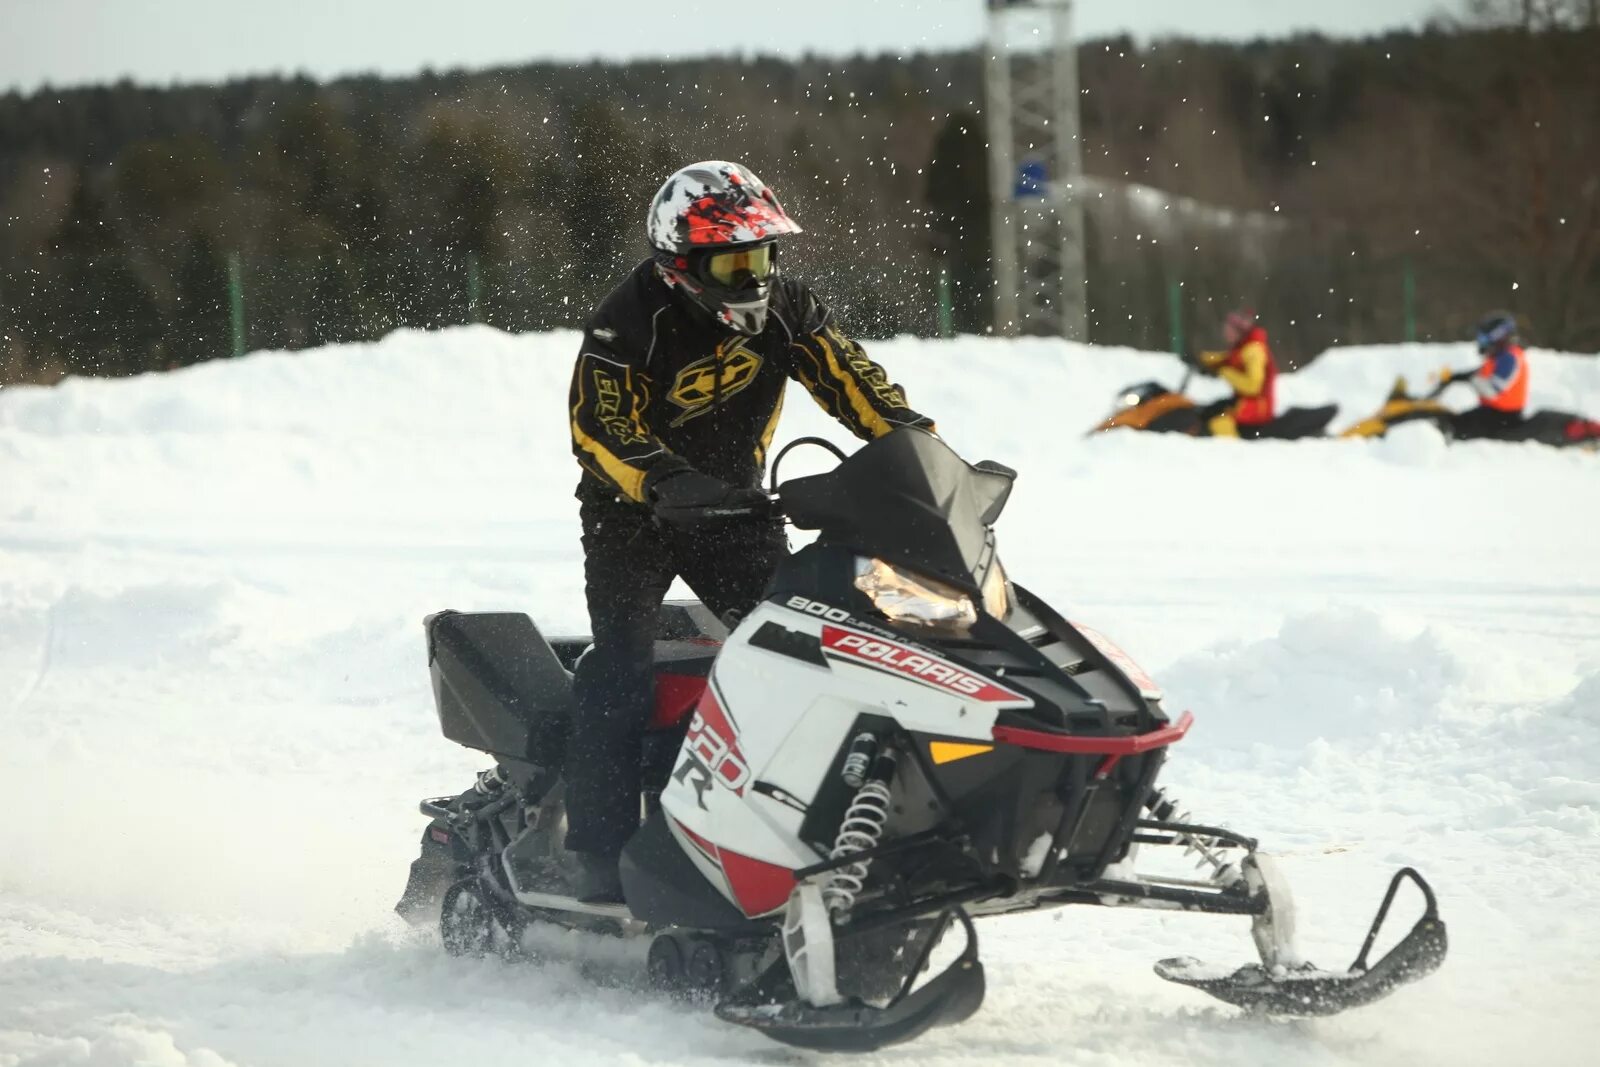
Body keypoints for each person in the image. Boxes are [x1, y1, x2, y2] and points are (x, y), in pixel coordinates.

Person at [561, 160, 936, 901]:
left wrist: (919, 448)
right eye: (734, 263)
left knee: (812, 648)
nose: (754, 277)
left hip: (738, 512)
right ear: (679, 264)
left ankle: (800, 823)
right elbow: (597, 428)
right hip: (631, 518)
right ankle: (598, 854)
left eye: (762, 257)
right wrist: (664, 481)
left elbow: (855, 381)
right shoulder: (626, 320)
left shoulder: (789, 307)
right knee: (621, 669)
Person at [1438, 311, 1528, 440]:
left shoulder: (1508, 358)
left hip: (1503, 418)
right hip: (1492, 413)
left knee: (1453, 428)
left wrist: (1472, 380)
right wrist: (1456, 377)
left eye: (1484, 337)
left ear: (1497, 336)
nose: (1481, 341)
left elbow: (1492, 391)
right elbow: (1479, 373)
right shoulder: (1499, 357)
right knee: (1453, 422)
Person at [1192, 309, 1278, 437]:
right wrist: (1201, 358)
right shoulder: (1241, 347)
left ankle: (1231, 447)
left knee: (1218, 424)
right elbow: (1223, 359)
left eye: (1228, 330)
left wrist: (1224, 372)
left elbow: (1253, 386)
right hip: (1244, 402)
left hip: (1257, 408)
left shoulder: (1253, 350)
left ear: (1238, 331)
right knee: (1209, 411)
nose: (1225, 334)